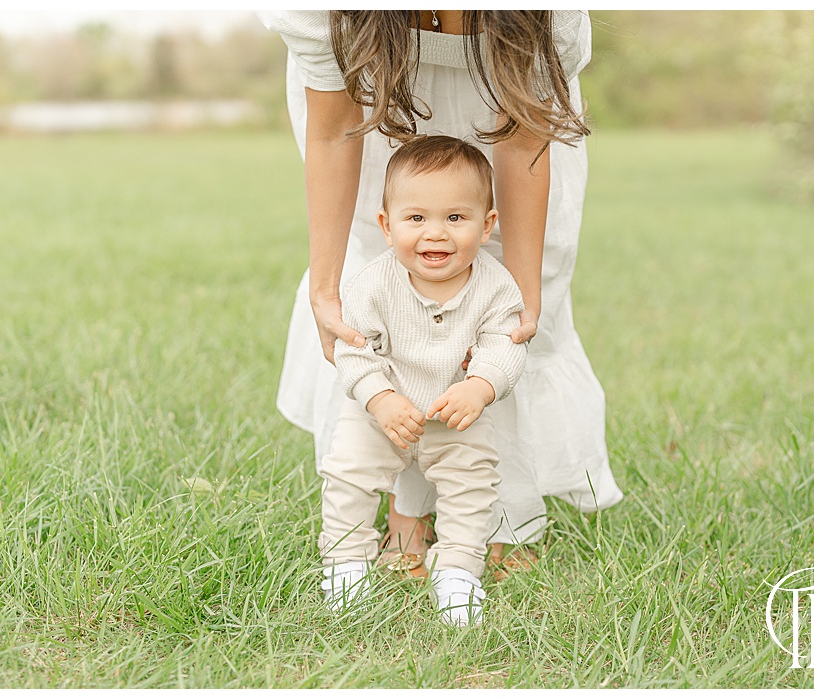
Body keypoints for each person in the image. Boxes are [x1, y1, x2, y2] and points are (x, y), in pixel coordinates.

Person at [259, 10, 623, 577]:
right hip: (379, 118)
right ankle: (406, 514)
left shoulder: (544, 15)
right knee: (392, 303)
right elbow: (332, 130)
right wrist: (326, 287)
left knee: (515, 320)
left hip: (516, 131)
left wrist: (523, 294)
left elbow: (523, 139)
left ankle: (504, 517)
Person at [321, 136, 525, 626]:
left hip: (454, 414)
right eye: (416, 218)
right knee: (348, 475)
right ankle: (346, 563)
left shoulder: (496, 285)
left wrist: (480, 386)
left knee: (472, 486)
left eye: (455, 217)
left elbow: (506, 343)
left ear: (487, 225)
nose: (436, 233)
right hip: (381, 413)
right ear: (387, 226)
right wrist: (379, 398)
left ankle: (457, 570)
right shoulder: (373, 283)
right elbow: (352, 348)